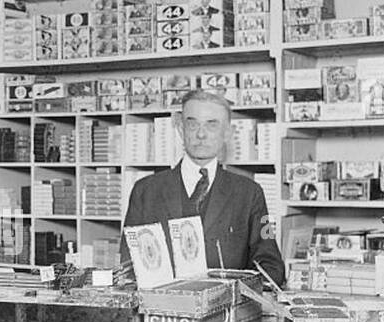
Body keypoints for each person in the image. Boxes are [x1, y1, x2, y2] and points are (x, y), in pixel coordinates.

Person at [119, 89, 285, 287]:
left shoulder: (249, 193)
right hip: (161, 312)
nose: (200, 134)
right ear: (180, 128)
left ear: (227, 133)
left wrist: (237, 292)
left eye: (212, 125)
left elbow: (271, 266)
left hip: (226, 310)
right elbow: (127, 268)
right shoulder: (145, 191)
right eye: (192, 123)